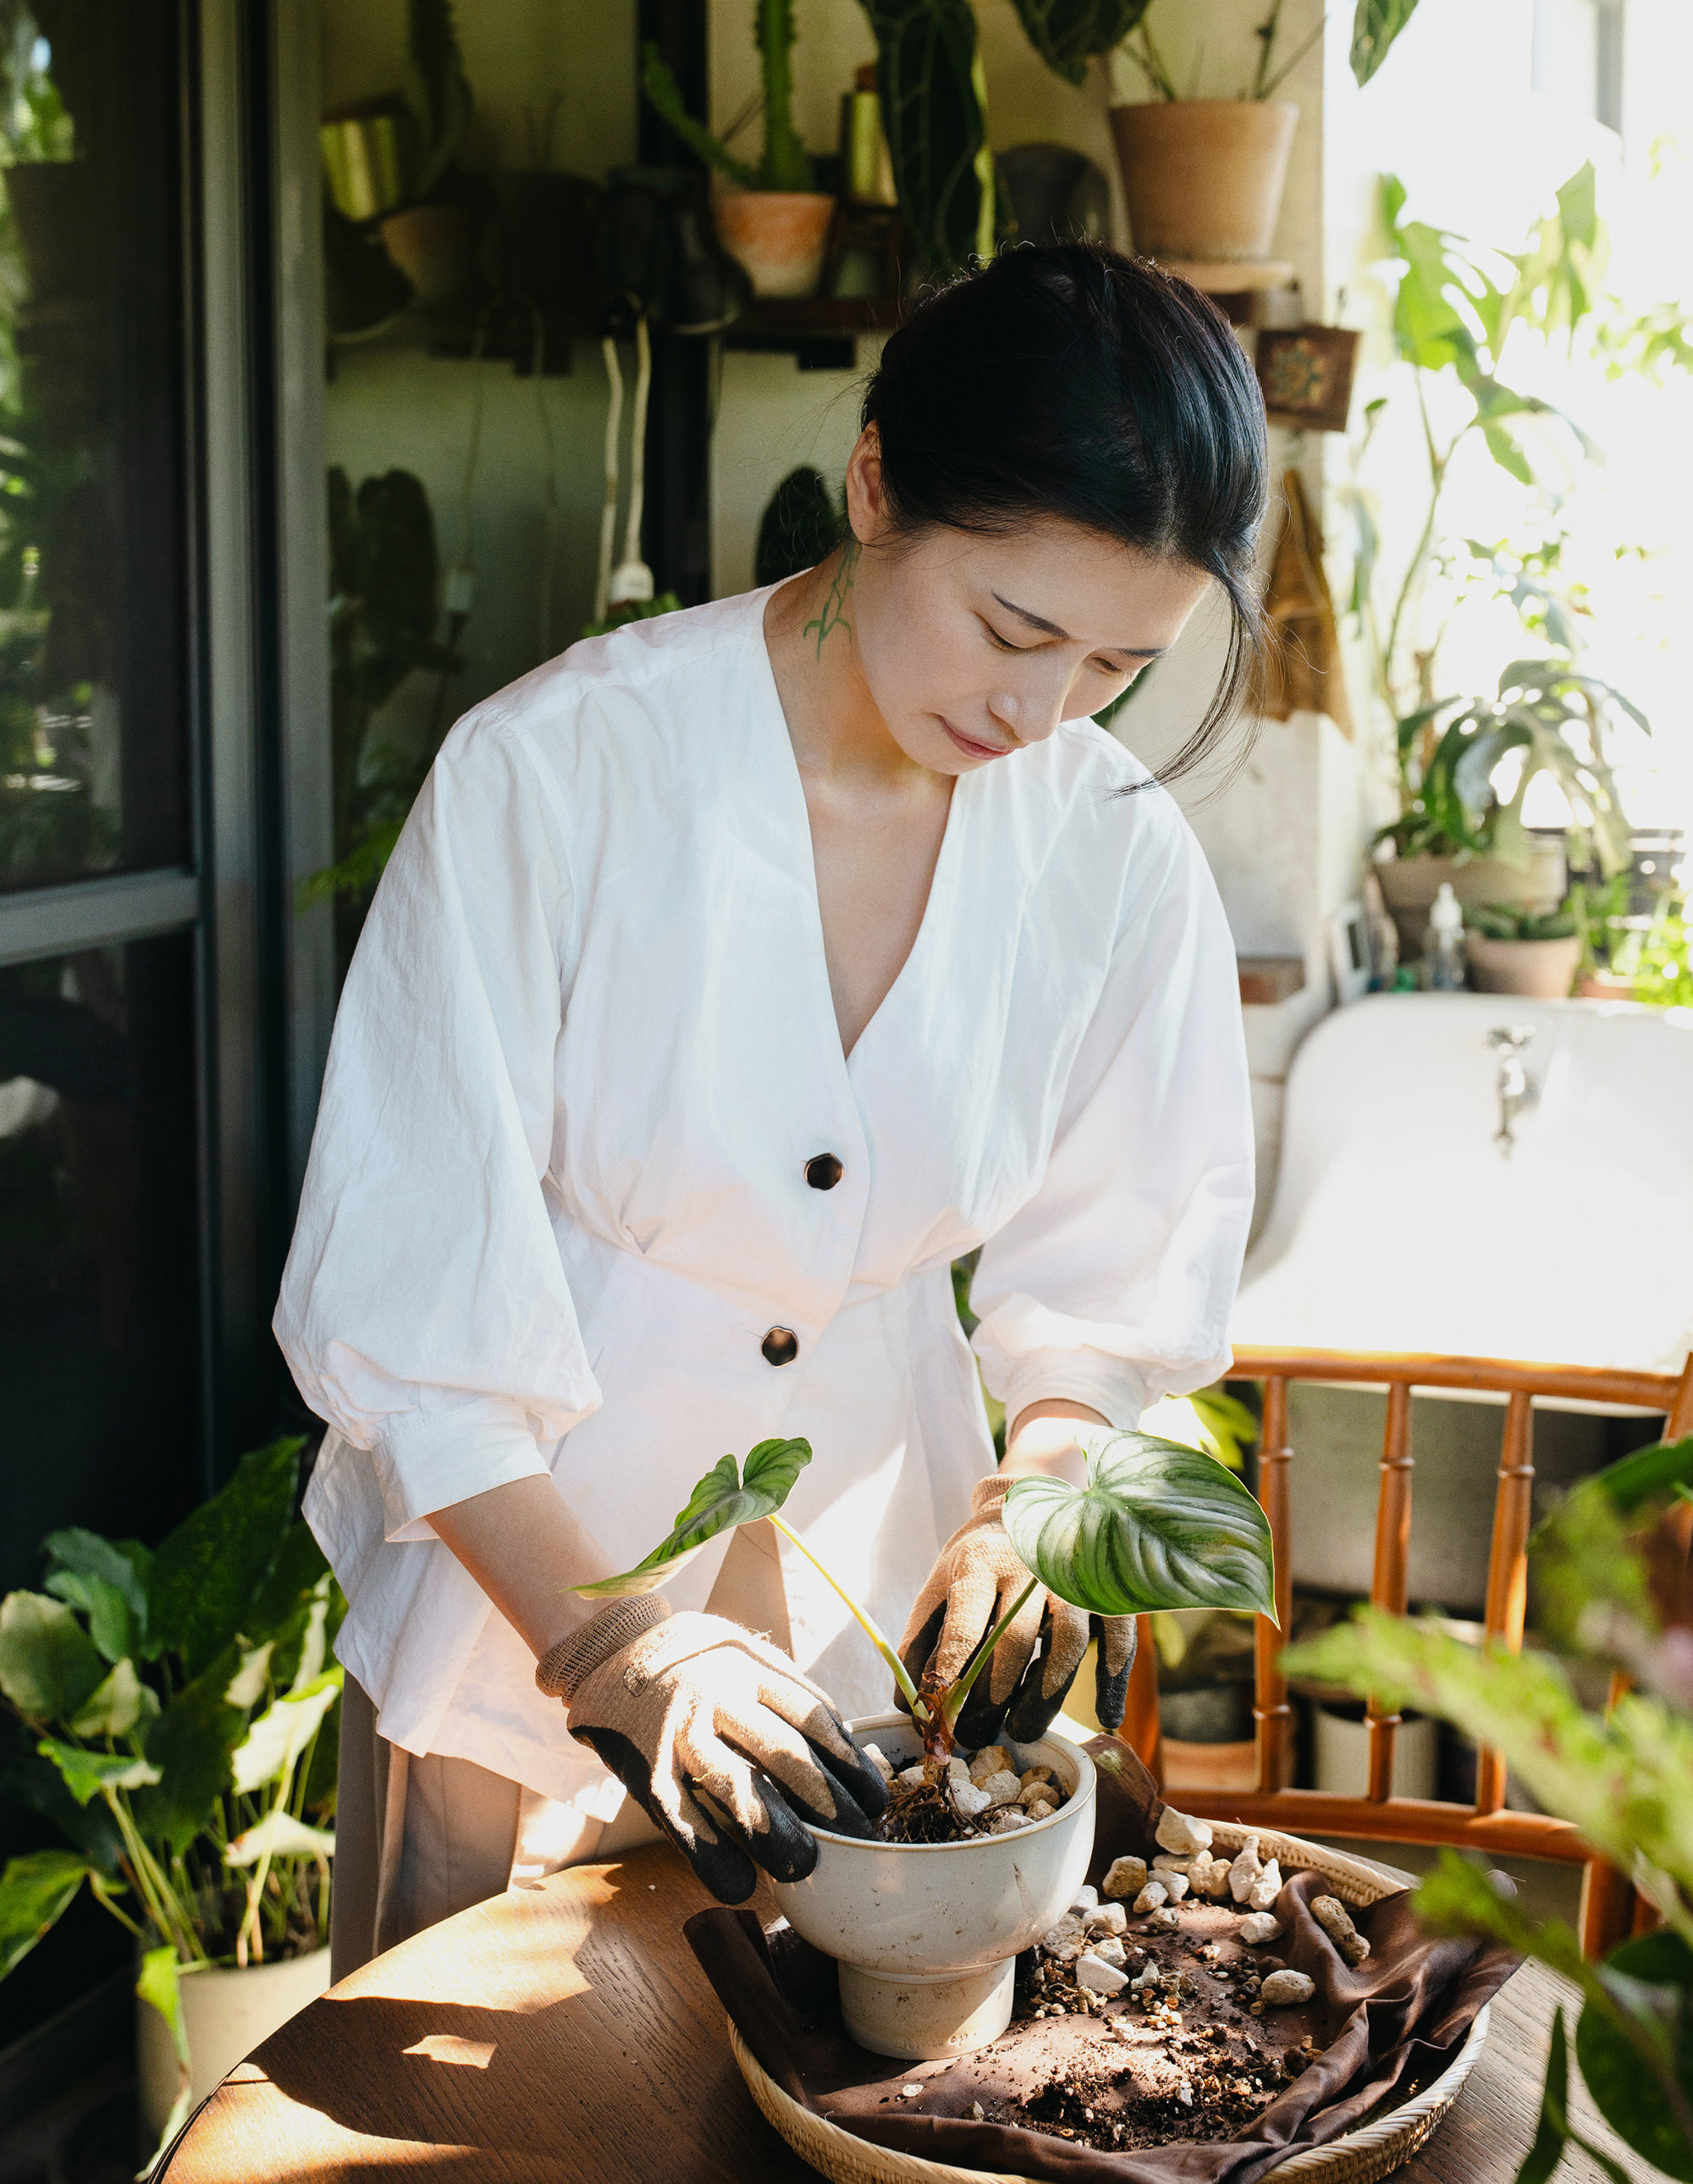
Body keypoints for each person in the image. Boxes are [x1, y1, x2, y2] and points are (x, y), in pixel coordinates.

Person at [275, 240, 1266, 1971]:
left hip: (883, 1648)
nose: (1038, 713)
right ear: (875, 480)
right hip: (525, 1614)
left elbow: (1107, 1287)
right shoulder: (557, 773)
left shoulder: (1110, 852)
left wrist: (1038, 1494)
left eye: (1115, 666)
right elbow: (415, 1321)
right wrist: (613, 1651)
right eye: (1013, 627)